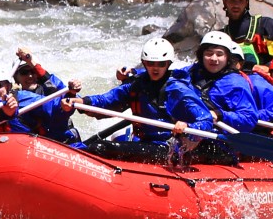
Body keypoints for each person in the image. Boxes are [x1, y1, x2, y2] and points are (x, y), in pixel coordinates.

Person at [66, 38, 209, 145]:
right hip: (142, 140)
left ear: (168, 64)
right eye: (150, 63)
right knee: (109, 141)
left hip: (167, 145)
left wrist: (188, 127)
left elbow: (206, 120)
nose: (155, 68)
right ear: (144, 63)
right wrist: (82, 102)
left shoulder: (179, 90)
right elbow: (107, 100)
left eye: (161, 64)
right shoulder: (137, 84)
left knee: (101, 147)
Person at [184, 29, 273, 134]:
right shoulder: (202, 77)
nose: (215, 60)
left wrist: (254, 115)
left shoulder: (254, 82)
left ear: (240, 63)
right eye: (209, 54)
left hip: (250, 130)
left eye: (235, 61)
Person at [8, 49, 80, 144]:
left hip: (65, 142)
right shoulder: (13, 100)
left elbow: (73, 98)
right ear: (16, 78)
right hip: (35, 144)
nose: (30, 76)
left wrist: (32, 62)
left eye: (33, 71)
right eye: (24, 72)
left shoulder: (51, 90)